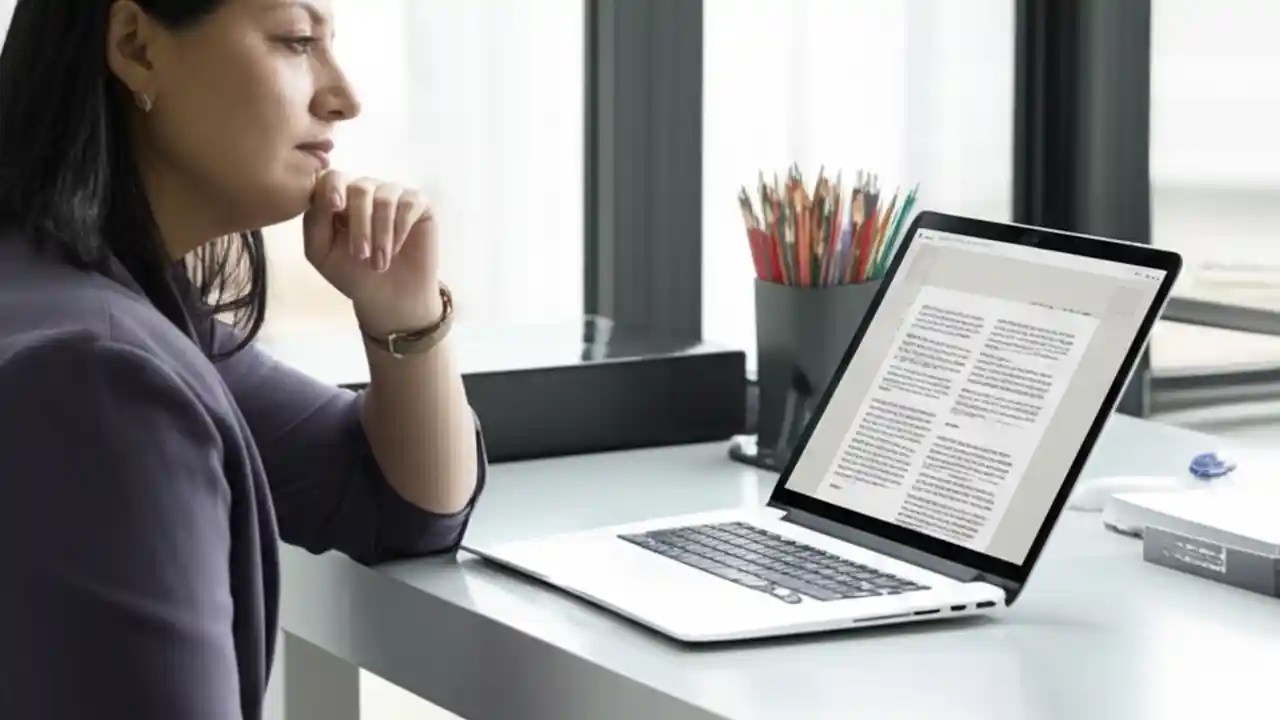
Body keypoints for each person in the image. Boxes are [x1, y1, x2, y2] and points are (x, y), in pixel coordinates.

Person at [0, 1, 486, 717]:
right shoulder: (100, 378)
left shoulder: (84, 293)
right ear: (136, 45)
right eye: (297, 41)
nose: (344, 97)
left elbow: (402, 507)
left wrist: (404, 314)